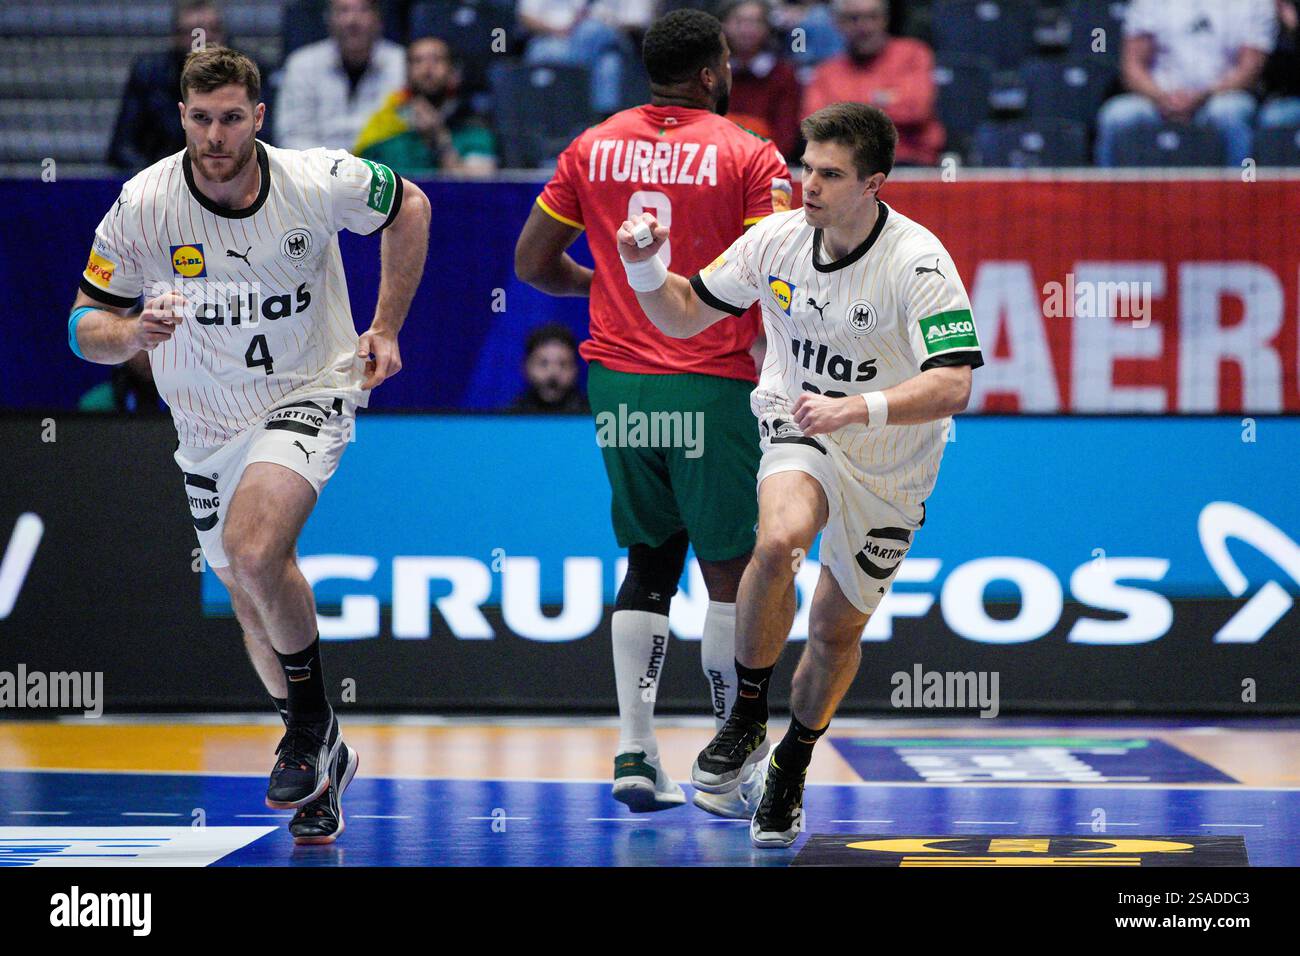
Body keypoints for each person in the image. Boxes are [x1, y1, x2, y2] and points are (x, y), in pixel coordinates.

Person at [69, 47, 431, 844]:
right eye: (201, 119)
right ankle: (320, 757)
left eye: (232, 117)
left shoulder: (315, 178)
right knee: (249, 599)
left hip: (308, 390)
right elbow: (81, 328)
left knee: (256, 549)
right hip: (202, 427)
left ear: (258, 118)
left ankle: (307, 731)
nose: (215, 135)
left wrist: (387, 327)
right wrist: (132, 330)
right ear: (183, 119)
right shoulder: (144, 204)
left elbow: (412, 207)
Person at [616, 101, 981, 847]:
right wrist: (644, 263)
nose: (808, 184)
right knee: (778, 542)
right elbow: (685, 313)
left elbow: (953, 385)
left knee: (835, 630)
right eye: (804, 166)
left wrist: (859, 410)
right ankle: (748, 717)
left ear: (873, 183)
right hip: (797, 421)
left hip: (890, 457)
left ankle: (792, 764)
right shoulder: (778, 240)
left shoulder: (918, 261)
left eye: (829, 174)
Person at [514, 8, 791, 819]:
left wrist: (599, 286)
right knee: (731, 572)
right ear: (711, 73)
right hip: (711, 382)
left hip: (619, 383)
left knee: (648, 561)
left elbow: (531, 262)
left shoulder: (591, 145)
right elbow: (775, 276)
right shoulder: (748, 152)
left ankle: (635, 752)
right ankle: (725, 767)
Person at [1095, 0, 1277, 166]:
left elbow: (1249, 69)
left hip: (1219, 96)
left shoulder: (1256, 3)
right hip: (1158, 99)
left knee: (1228, 113)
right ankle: (1105, 198)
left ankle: (1239, 193)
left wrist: (1202, 95)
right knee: (1117, 116)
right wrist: (1161, 96)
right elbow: (1132, 65)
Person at [801, 0, 943, 166]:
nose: (864, 27)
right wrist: (880, 101)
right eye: (853, 18)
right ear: (837, 23)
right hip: (846, 170)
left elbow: (915, 110)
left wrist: (846, 111)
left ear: (885, 19)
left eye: (872, 17)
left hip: (908, 165)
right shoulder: (825, 72)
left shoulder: (913, 54)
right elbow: (814, 127)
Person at [107, 0, 228, 171]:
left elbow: (261, 141)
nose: (204, 42)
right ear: (176, 37)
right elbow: (122, 148)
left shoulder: (246, 75)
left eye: (212, 30)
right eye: (193, 33)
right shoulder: (149, 75)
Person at [355, 35, 498, 176]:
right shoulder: (386, 127)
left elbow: (478, 192)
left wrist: (440, 140)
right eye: (418, 61)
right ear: (406, 75)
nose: (427, 68)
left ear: (454, 74)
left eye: (437, 60)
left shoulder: (475, 130)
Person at [274, 0, 406, 150]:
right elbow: (292, 136)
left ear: (378, 19)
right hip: (317, 168)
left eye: (363, 10)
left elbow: (401, 133)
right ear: (329, 19)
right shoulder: (302, 64)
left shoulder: (401, 63)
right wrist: (335, 167)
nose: (352, 20)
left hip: (380, 166)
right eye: (343, 10)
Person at [720, 0, 802, 158]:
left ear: (767, 28)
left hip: (765, 165)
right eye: (739, 21)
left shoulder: (784, 75)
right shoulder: (713, 73)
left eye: (755, 22)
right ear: (725, 25)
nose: (746, 29)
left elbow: (786, 136)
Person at [510, 323, 589, 412]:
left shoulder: (595, 418)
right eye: (543, 364)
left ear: (575, 369)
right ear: (526, 367)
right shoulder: (508, 420)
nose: (553, 373)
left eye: (563, 364)